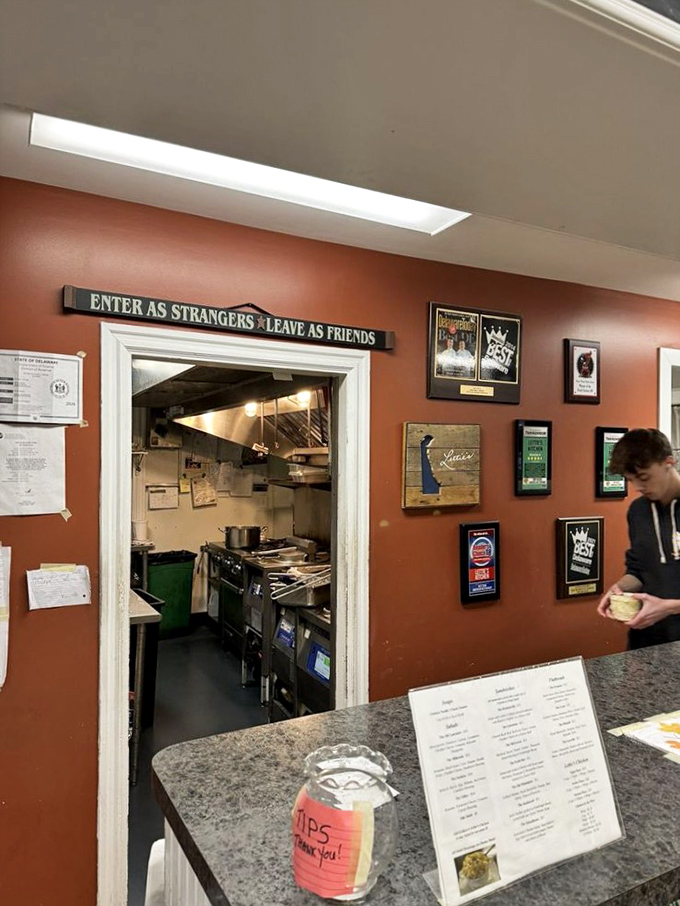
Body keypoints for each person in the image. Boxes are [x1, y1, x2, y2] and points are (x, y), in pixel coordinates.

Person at [597, 428, 680, 648]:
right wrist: (619, 589)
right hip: (648, 641)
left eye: (644, 477)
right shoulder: (638, 511)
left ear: (668, 463)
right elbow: (638, 570)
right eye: (631, 480)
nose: (638, 487)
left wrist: (671, 607)